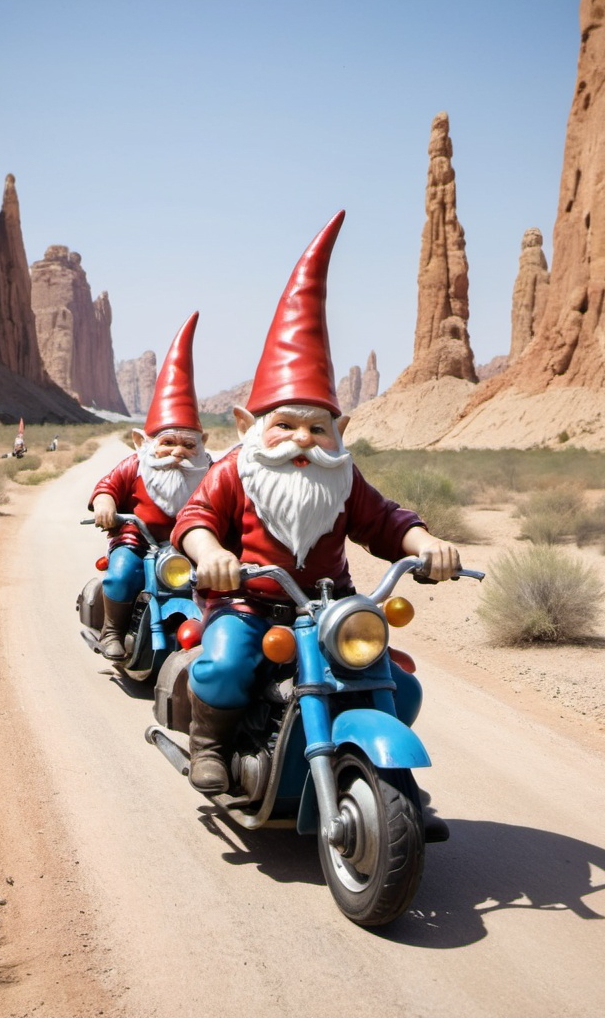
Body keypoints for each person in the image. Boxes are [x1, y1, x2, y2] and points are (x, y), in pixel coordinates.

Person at [171, 211, 461, 797]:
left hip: (328, 610)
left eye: (318, 427)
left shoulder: (342, 477)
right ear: (249, 425)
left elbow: (385, 521)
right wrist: (212, 555)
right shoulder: (234, 470)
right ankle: (211, 744)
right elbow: (195, 520)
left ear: (340, 427)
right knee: (225, 666)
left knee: (397, 685)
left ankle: (382, 775)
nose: (304, 438)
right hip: (249, 605)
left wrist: (425, 545)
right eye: (286, 425)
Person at [89, 312, 211, 661]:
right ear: (143, 441)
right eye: (168, 442)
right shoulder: (136, 464)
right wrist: (105, 503)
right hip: (139, 538)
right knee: (122, 573)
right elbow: (108, 486)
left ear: (203, 443)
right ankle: (112, 630)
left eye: (189, 445)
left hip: (189, 545)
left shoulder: (209, 470)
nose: (178, 453)